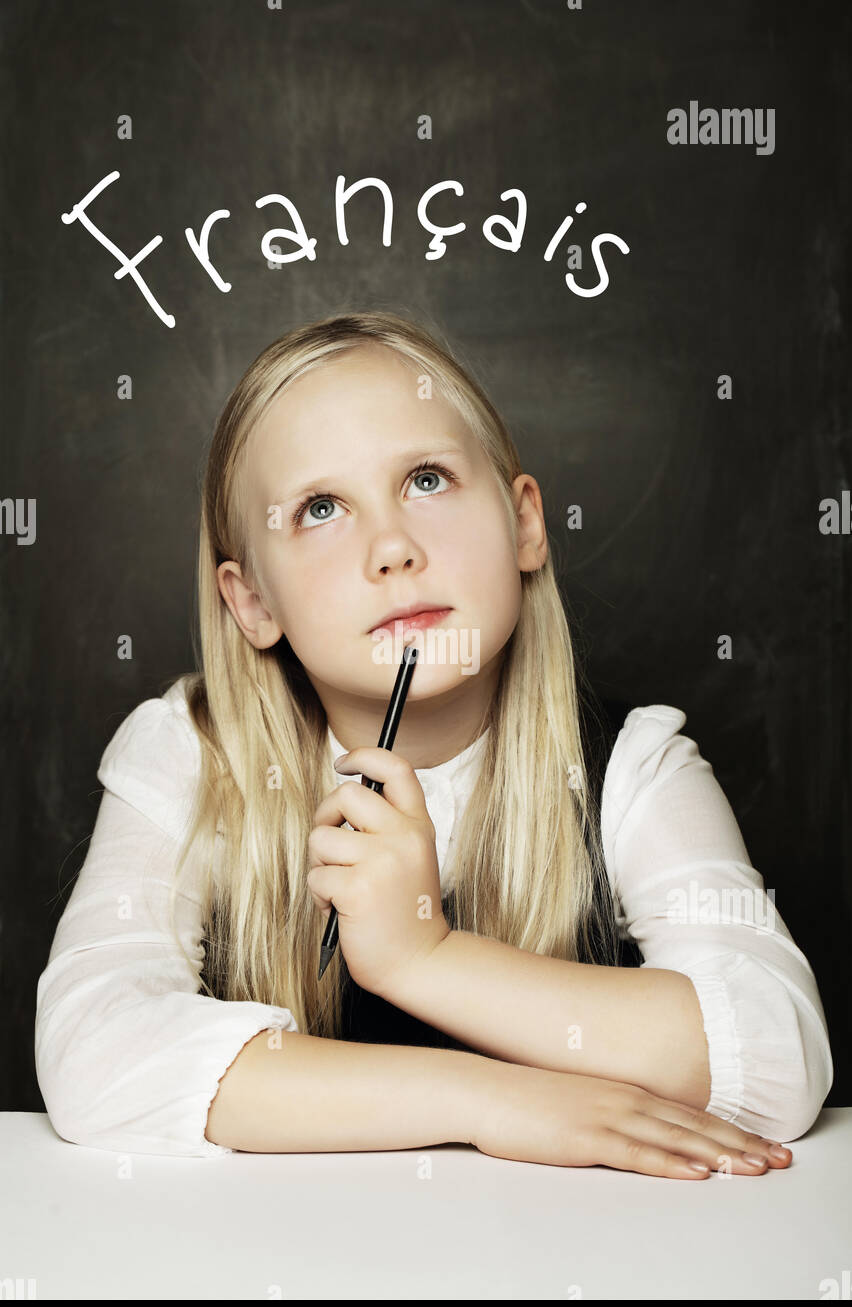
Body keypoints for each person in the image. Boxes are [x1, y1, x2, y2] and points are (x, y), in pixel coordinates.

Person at [35, 311, 832, 1178]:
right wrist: (489, 1099)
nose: (392, 548)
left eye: (425, 479)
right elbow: (92, 1047)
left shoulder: (632, 764)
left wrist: (427, 957)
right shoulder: (190, 755)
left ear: (525, 522)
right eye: (321, 508)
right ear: (251, 602)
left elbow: (779, 1059)